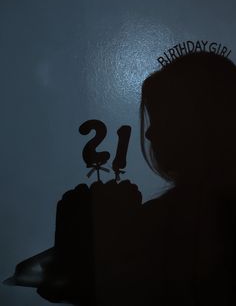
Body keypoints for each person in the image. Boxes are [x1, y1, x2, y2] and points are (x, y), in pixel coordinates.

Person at [5, 52, 236, 305]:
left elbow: (55, 280)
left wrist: (94, 235)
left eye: (161, 118)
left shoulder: (172, 220)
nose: (149, 133)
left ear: (194, 122)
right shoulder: (186, 215)